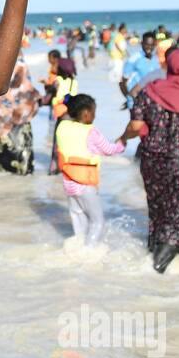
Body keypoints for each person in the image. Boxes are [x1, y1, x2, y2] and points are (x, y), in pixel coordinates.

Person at [119, 48, 179, 273]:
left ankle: (159, 253)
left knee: (160, 210)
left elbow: (136, 126)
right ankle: (157, 267)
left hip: (152, 162)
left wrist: (123, 137)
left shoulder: (150, 92)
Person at [56, 94, 126, 248]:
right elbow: (109, 150)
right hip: (85, 185)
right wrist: (123, 141)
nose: (95, 116)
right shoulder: (91, 132)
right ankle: (88, 253)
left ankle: (78, 248)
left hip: (69, 184)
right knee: (97, 222)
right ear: (86, 113)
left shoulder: (62, 126)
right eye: (94, 112)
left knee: (79, 221)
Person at [120, 31, 160, 110]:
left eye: (152, 45)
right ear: (141, 43)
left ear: (155, 45)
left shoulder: (156, 59)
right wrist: (129, 99)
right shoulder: (134, 59)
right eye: (146, 44)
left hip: (151, 100)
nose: (149, 47)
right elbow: (122, 82)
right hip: (136, 101)